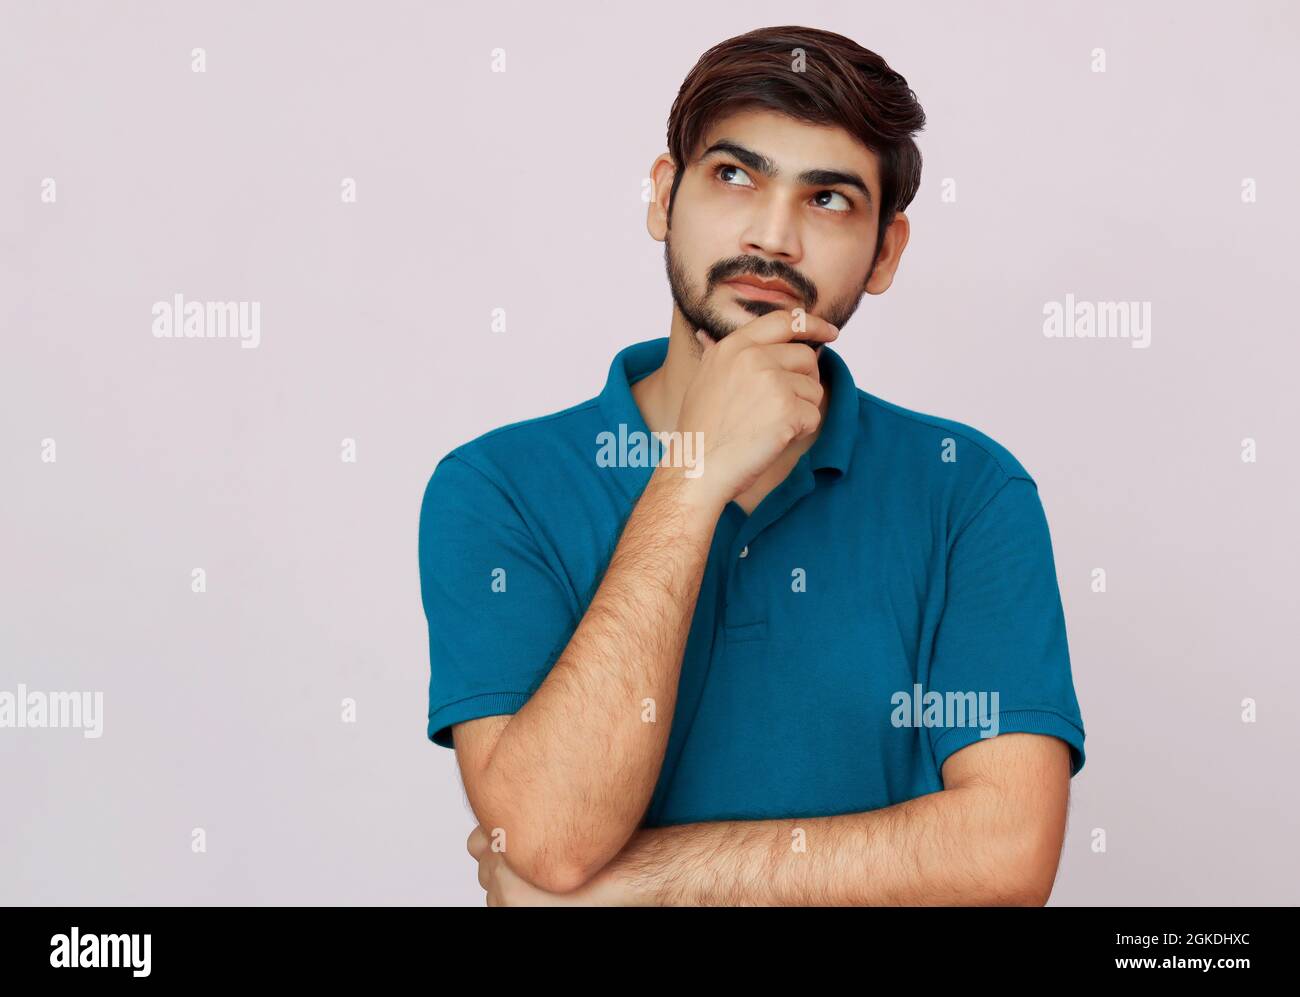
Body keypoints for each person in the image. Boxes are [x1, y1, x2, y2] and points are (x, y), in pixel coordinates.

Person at [419, 25, 1086, 906]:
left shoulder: (970, 490)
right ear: (664, 197)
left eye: (830, 200)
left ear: (885, 252)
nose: (773, 239)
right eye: (735, 176)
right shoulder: (495, 488)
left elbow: (1006, 854)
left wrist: (636, 886)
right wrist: (694, 477)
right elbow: (550, 836)